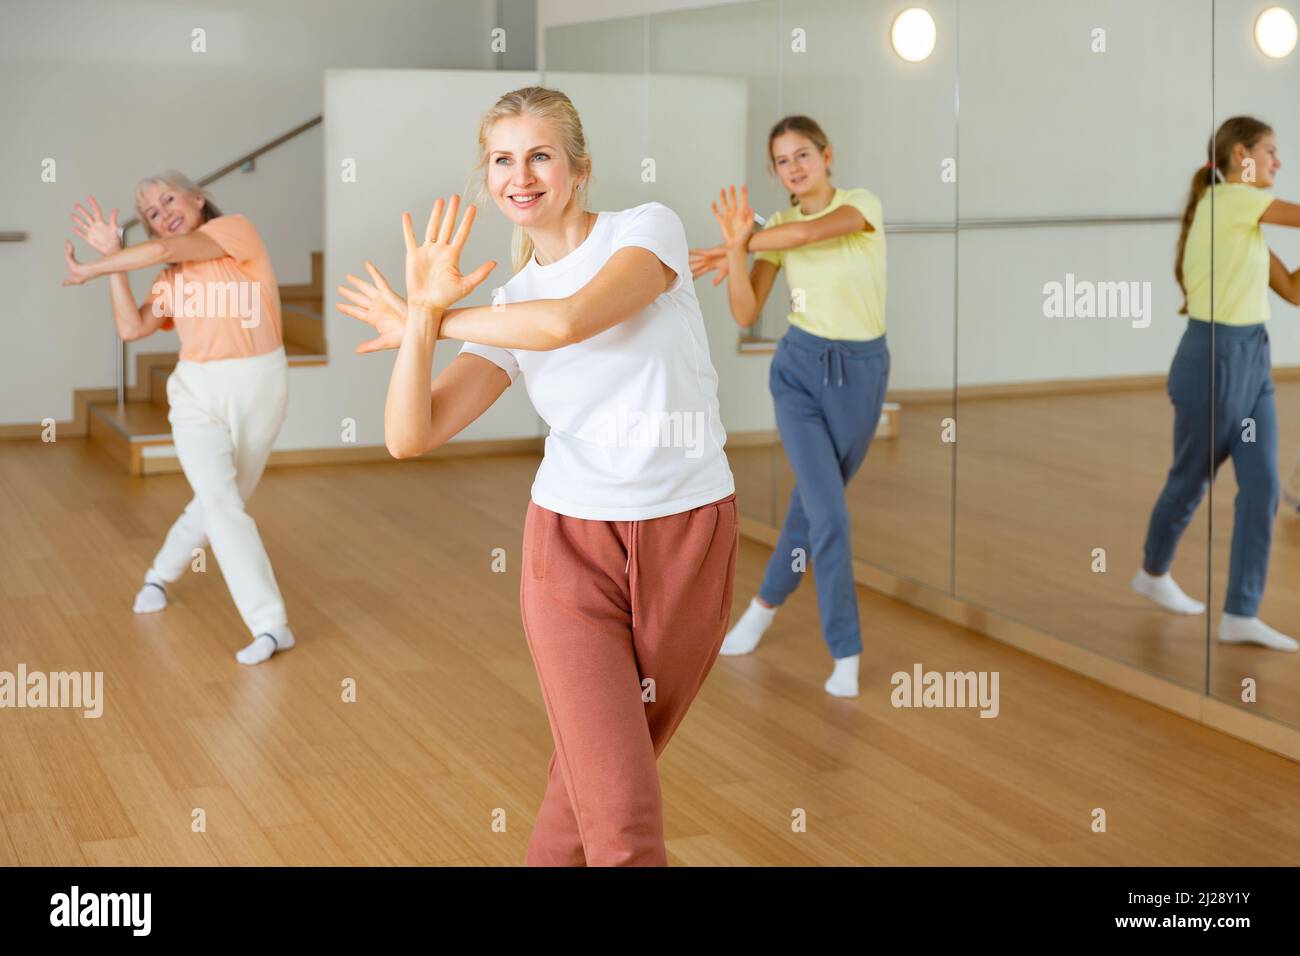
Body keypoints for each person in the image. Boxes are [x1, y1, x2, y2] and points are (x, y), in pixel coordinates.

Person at [337, 86, 737, 865]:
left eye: (540, 155)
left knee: (591, 783)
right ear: (488, 177)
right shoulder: (507, 305)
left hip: (689, 534)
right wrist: (420, 320)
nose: (521, 176)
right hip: (570, 549)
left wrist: (430, 317)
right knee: (622, 816)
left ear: (579, 169)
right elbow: (407, 435)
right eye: (502, 160)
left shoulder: (645, 232)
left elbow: (569, 322)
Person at [692, 116, 888, 697]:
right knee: (828, 515)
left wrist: (736, 241)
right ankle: (845, 650)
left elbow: (810, 237)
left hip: (861, 374)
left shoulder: (860, 205)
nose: (794, 168)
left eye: (803, 154)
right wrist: (734, 256)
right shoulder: (775, 225)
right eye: (782, 161)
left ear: (828, 156)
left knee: (811, 508)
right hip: (799, 373)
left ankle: (761, 609)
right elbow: (746, 311)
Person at [63, 172, 293, 665]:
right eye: (150, 212)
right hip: (195, 395)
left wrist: (99, 262)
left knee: (220, 504)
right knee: (220, 501)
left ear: (196, 198)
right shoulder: (171, 279)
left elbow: (169, 250)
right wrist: (112, 267)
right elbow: (131, 328)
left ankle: (158, 576)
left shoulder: (235, 232)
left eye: (167, 198)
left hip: (260, 384)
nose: (160, 211)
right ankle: (270, 624)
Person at [1134, 116, 1300, 651]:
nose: (1278, 161)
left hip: (1253, 360)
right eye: (1270, 151)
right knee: (1191, 478)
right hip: (1213, 361)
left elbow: (1294, 291)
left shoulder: (1243, 224)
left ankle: (1241, 613)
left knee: (1263, 484)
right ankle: (1152, 572)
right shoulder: (1228, 201)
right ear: (1239, 156)